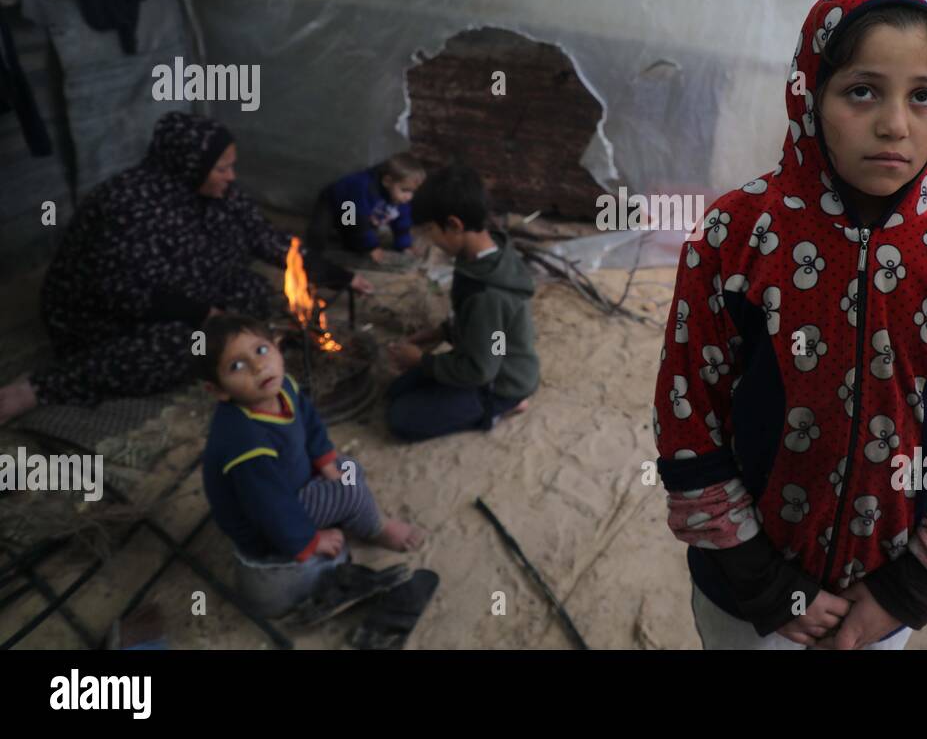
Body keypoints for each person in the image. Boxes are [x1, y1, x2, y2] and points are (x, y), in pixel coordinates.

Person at [653, 0, 927, 650]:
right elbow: (689, 417)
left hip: (881, 596)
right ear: (809, 96)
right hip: (746, 594)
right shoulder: (736, 236)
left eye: (923, 96)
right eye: (861, 91)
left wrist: (905, 591)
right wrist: (768, 587)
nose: (894, 124)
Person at [0, 111, 372, 424]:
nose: (232, 176)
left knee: (252, 292)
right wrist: (204, 313)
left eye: (232, 166)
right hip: (109, 315)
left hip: (186, 289)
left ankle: (209, 323)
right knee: (188, 348)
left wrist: (341, 275)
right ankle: (36, 390)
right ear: (188, 165)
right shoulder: (125, 204)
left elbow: (270, 241)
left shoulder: (219, 192)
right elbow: (121, 290)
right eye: (223, 168)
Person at [200, 313, 423, 566]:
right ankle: (378, 527)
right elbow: (270, 508)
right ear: (218, 389)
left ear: (277, 344)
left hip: (292, 481)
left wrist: (326, 464)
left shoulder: (283, 387)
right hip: (266, 525)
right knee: (349, 493)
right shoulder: (246, 443)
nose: (258, 367)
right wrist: (310, 540)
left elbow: (310, 424)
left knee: (349, 468)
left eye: (261, 350)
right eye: (237, 366)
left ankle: (351, 509)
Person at [384, 165, 538, 442]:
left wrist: (421, 360)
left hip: (497, 381)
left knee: (400, 419)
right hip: (485, 357)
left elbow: (479, 369)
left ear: (454, 224)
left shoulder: (487, 294)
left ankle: (504, 406)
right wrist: (440, 333)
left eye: (430, 229)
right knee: (395, 391)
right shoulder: (480, 257)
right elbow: (477, 327)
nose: (428, 238)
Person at [306, 153, 426, 265]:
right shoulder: (364, 188)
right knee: (320, 231)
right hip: (336, 201)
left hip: (355, 210)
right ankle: (311, 257)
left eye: (412, 192)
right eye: (405, 190)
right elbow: (357, 221)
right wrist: (372, 247)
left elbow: (402, 224)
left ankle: (349, 242)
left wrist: (404, 245)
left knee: (354, 238)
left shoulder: (400, 199)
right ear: (387, 181)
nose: (409, 197)